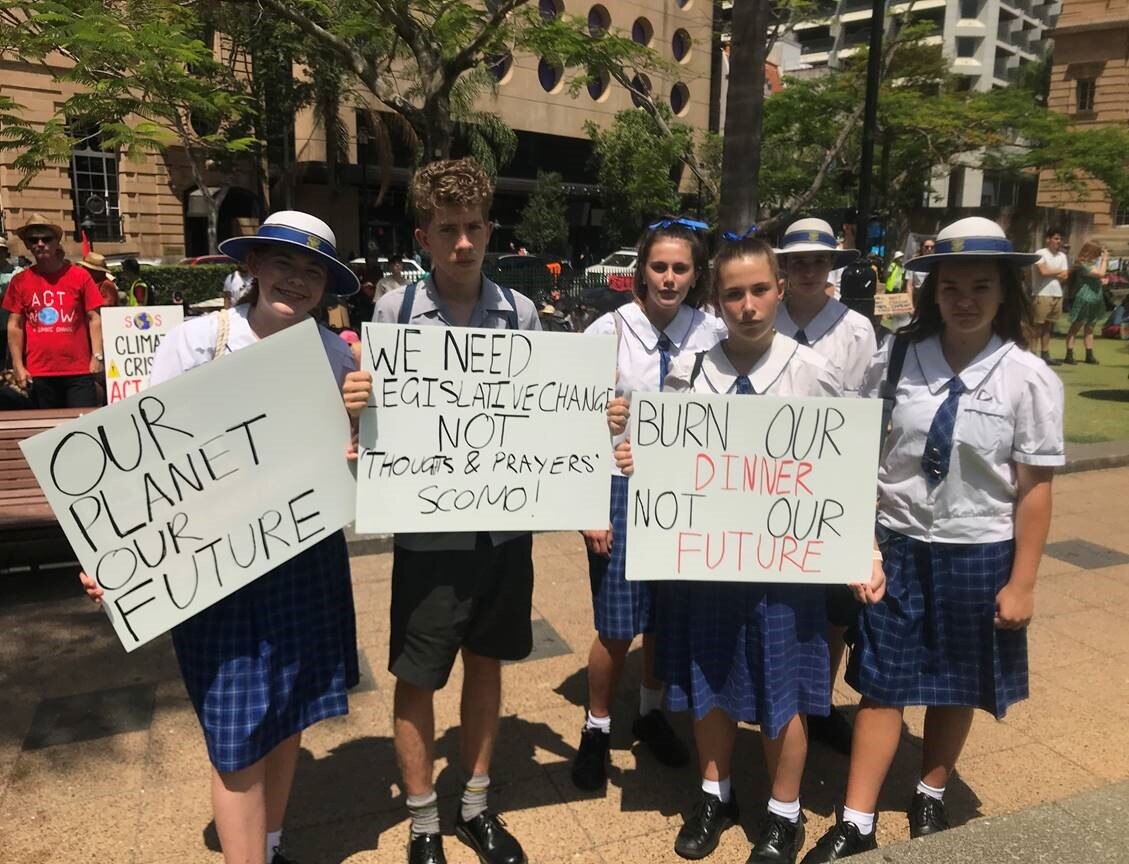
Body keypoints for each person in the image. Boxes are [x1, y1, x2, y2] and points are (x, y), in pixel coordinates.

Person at [79, 210, 362, 864]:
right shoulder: (197, 342)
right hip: (215, 566)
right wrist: (109, 555)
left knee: (289, 710)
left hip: (304, 554)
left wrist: (354, 444)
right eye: (284, 263)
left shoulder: (333, 353)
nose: (297, 280)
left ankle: (270, 845)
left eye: (313, 271)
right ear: (253, 267)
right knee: (236, 732)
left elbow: (342, 459)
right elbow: (140, 459)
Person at [609, 235, 886, 864]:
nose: (748, 305)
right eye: (733, 293)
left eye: (760, 290)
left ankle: (783, 814)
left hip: (786, 572)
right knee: (709, 682)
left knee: (782, 693)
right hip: (707, 563)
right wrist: (633, 458)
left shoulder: (813, 374)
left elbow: (847, 470)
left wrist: (865, 548)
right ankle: (716, 793)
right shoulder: (691, 371)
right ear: (718, 299)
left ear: (779, 290)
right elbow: (661, 458)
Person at [801, 217, 1063, 862]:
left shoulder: (1027, 377)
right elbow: (858, 455)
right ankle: (855, 817)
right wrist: (861, 545)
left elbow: (1033, 490)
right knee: (882, 683)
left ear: (1006, 290)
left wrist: (1023, 582)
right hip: (898, 544)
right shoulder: (895, 360)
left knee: (958, 681)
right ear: (931, 291)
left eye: (980, 285)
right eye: (951, 286)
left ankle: (930, 789)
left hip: (979, 549)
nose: (965, 298)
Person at [342, 157, 540, 864]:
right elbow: (379, 428)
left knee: (488, 666)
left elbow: (540, 415)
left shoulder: (522, 313)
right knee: (418, 675)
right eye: (447, 230)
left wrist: (595, 414)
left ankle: (476, 805)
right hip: (429, 533)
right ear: (424, 237)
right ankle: (425, 820)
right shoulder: (394, 313)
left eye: (474, 228)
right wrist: (359, 409)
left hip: (503, 530)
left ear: (490, 231)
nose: (463, 243)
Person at [571, 216, 722, 793]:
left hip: (683, 489)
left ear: (694, 274)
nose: (668, 277)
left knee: (664, 615)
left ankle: (652, 712)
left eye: (680, 268)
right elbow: (574, 420)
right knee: (616, 626)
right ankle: (596, 727)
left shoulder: (709, 331)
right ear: (641, 270)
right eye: (658, 266)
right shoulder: (606, 331)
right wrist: (589, 509)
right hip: (618, 486)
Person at [774, 217, 877, 755]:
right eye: (797, 261)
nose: (808, 269)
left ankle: (817, 702)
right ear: (784, 267)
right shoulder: (762, 317)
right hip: (764, 480)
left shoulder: (857, 331)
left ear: (831, 266)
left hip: (830, 481)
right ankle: (780, 696)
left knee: (833, 604)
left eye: (818, 260)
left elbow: (863, 413)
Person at [2, 212, 104, 408]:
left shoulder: (80, 277)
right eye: (33, 240)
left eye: (46, 239)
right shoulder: (20, 281)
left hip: (79, 372)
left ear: (57, 242)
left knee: (84, 431)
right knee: (48, 433)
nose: (40, 244)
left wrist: (97, 356)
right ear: (27, 245)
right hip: (39, 374)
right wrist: (17, 365)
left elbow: (94, 319)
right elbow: (15, 325)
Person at [1063, 240, 1109, 365]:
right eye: (1098, 252)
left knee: (1090, 327)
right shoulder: (1082, 264)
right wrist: (1105, 260)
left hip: (1095, 297)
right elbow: (1100, 273)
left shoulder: (1093, 263)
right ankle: (1069, 354)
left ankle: (1089, 354)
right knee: (1076, 326)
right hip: (1084, 297)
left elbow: (1100, 276)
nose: (1099, 255)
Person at [1031, 227, 1069, 366]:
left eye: (1060, 239)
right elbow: (1043, 271)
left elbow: (1065, 275)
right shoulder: (1040, 253)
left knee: (1048, 326)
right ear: (1048, 239)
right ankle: (1032, 353)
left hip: (1057, 293)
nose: (1059, 242)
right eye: (1056, 238)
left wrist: (1055, 272)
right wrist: (1059, 271)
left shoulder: (1062, 256)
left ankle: (1045, 353)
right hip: (1042, 294)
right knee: (1037, 326)